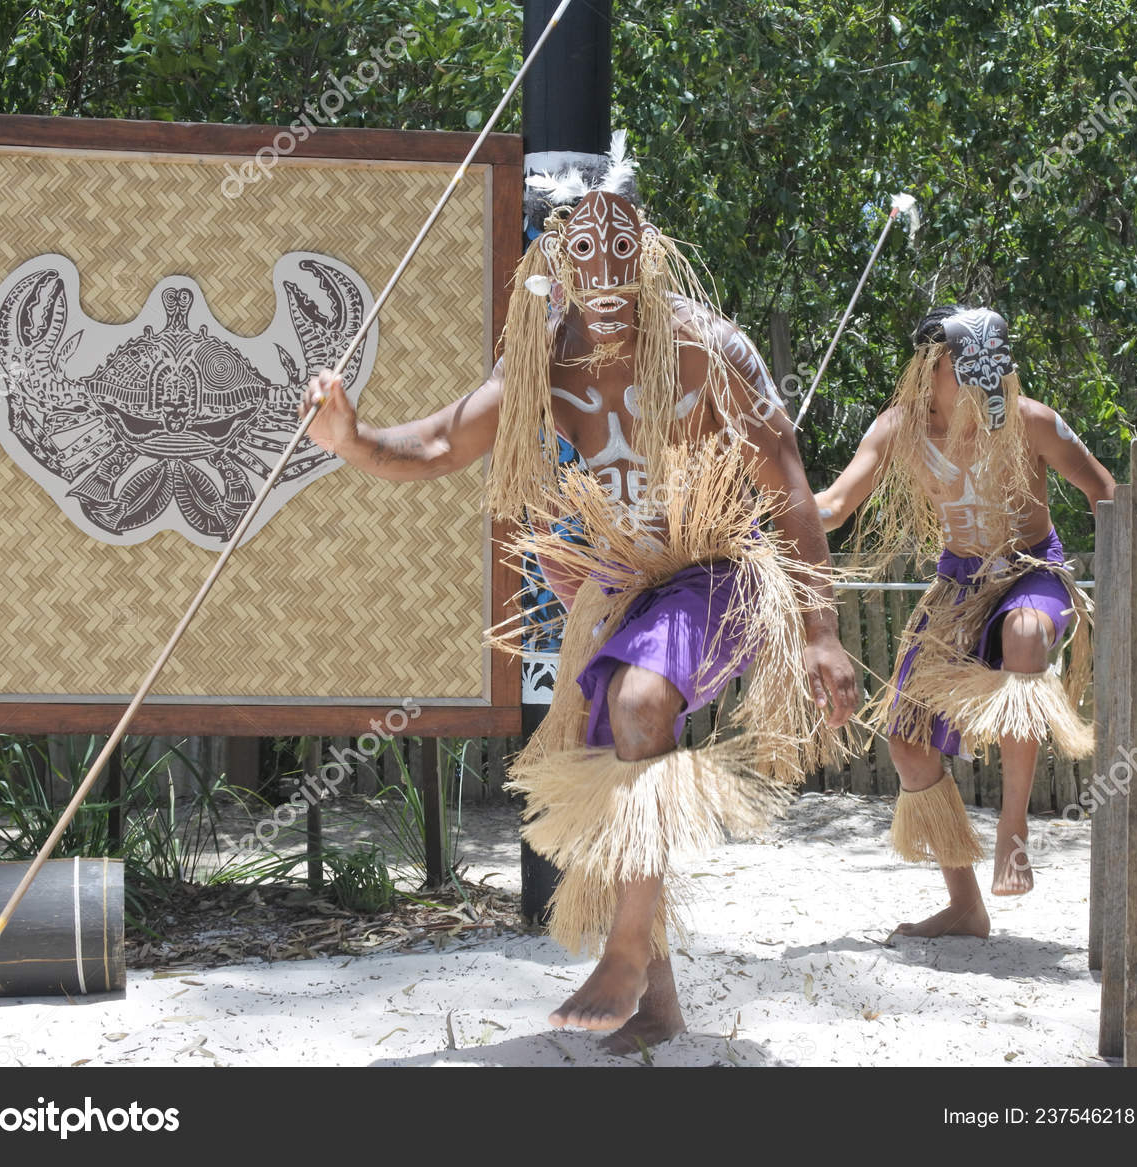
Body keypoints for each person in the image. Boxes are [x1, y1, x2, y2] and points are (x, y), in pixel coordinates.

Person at [303, 141, 857, 1050]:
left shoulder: (706, 349)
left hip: (718, 572)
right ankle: (661, 1006)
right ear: (550, 261)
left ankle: (628, 952)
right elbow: (444, 443)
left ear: (648, 244)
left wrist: (820, 629)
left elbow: (789, 488)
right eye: (580, 252)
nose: (601, 272)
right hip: (622, 592)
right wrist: (355, 439)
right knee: (619, 769)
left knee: (642, 704)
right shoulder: (539, 359)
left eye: (618, 249)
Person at [815, 305, 1114, 938]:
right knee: (907, 742)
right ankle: (965, 906)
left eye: (996, 363)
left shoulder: (1031, 422)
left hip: (1032, 571)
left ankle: (1013, 826)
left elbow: (1105, 491)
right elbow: (835, 507)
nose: (989, 377)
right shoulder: (898, 428)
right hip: (958, 583)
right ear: (933, 367)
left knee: (1025, 636)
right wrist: (764, 502)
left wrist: (1130, 578)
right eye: (968, 366)